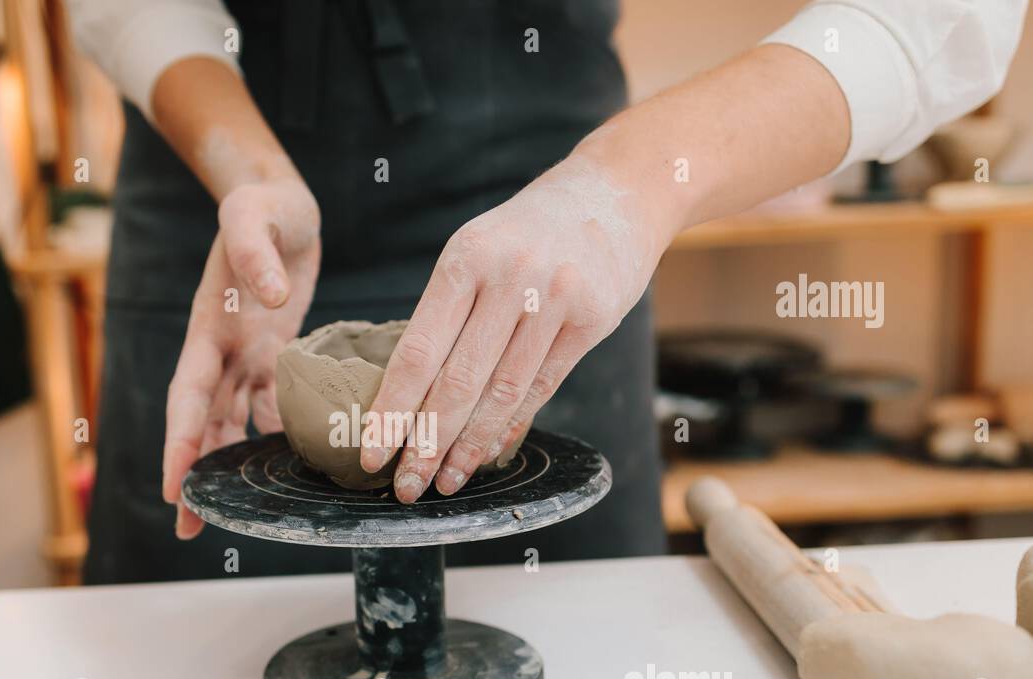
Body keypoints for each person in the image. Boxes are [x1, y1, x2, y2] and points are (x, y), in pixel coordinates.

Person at [69, 0, 1026, 584]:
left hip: (553, 219)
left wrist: (633, 182)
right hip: (233, 212)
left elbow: (948, 12)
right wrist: (244, 167)